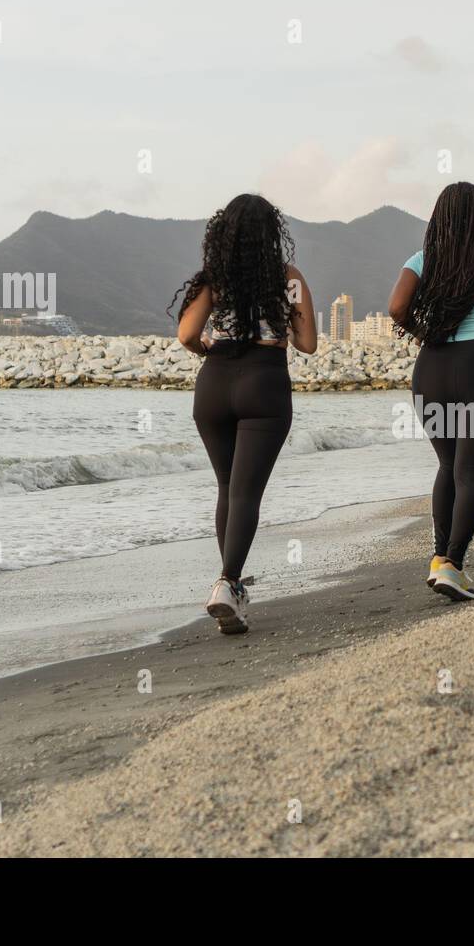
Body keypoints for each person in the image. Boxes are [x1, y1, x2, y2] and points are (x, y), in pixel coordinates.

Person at [170, 194, 317, 633]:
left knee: (227, 486)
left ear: (223, 234)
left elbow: (186, 334)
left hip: (213, 385)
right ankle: (227, 582)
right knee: (246, 493)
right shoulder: (288, 278)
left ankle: (229, 586)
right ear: (272, 235)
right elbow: (307, 343)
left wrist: (209, 347)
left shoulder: (213, 279)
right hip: (264, 384)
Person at [386, 182, 474, 601]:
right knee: (472, 470)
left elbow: (396, 308)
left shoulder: (422, 260)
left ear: (439, 218)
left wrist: (424, 331)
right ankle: (453, 564)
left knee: (448, 464)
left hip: (432, 369)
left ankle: (438, 558)